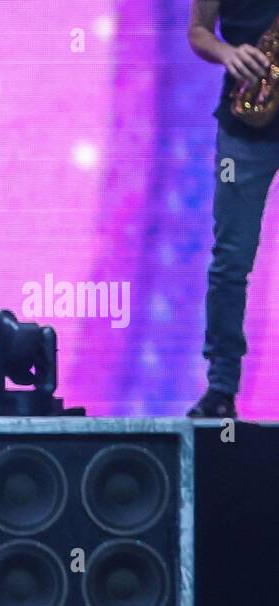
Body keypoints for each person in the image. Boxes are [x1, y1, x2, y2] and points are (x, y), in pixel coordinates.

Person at [188, 0, 279, 418]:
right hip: (246, 125)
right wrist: (227, 53)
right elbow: (198, 31)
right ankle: (221, 388)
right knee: (231, 261)